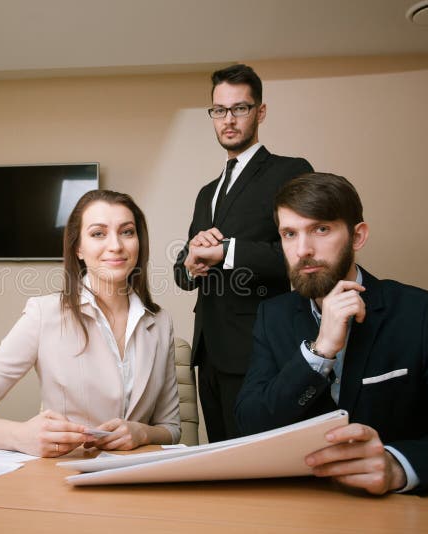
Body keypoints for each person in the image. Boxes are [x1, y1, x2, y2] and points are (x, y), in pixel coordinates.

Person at [234, 173, 428, 494]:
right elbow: (250, 425)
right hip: (303, 505)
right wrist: (319, 352)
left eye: (321, 229)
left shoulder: (421, 313)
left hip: (396, 513)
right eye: (289, 234)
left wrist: (396, 466)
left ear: (357, 236)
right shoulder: (274, 316)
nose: (303, 249)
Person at [0, 190, 181, 457]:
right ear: (78, 248)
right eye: (98, 234)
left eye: (127, 232)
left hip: (140, 481)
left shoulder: (160, 323)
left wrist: (143, 433)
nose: (116, 245)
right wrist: (20, 436)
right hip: (65, 479)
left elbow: (171, 428)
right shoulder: (44, 314)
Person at [173, 64, 313, 442]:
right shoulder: (207, 192)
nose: (228, 119)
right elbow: (183, 271)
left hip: (259, 348)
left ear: (260, 112)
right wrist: (189, 265)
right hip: (209, 352)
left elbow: (305, 257)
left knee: (257, 466)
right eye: (219, 110)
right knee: (218, 460)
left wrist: (227, 251)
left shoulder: (290, 171)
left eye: (240, 108)